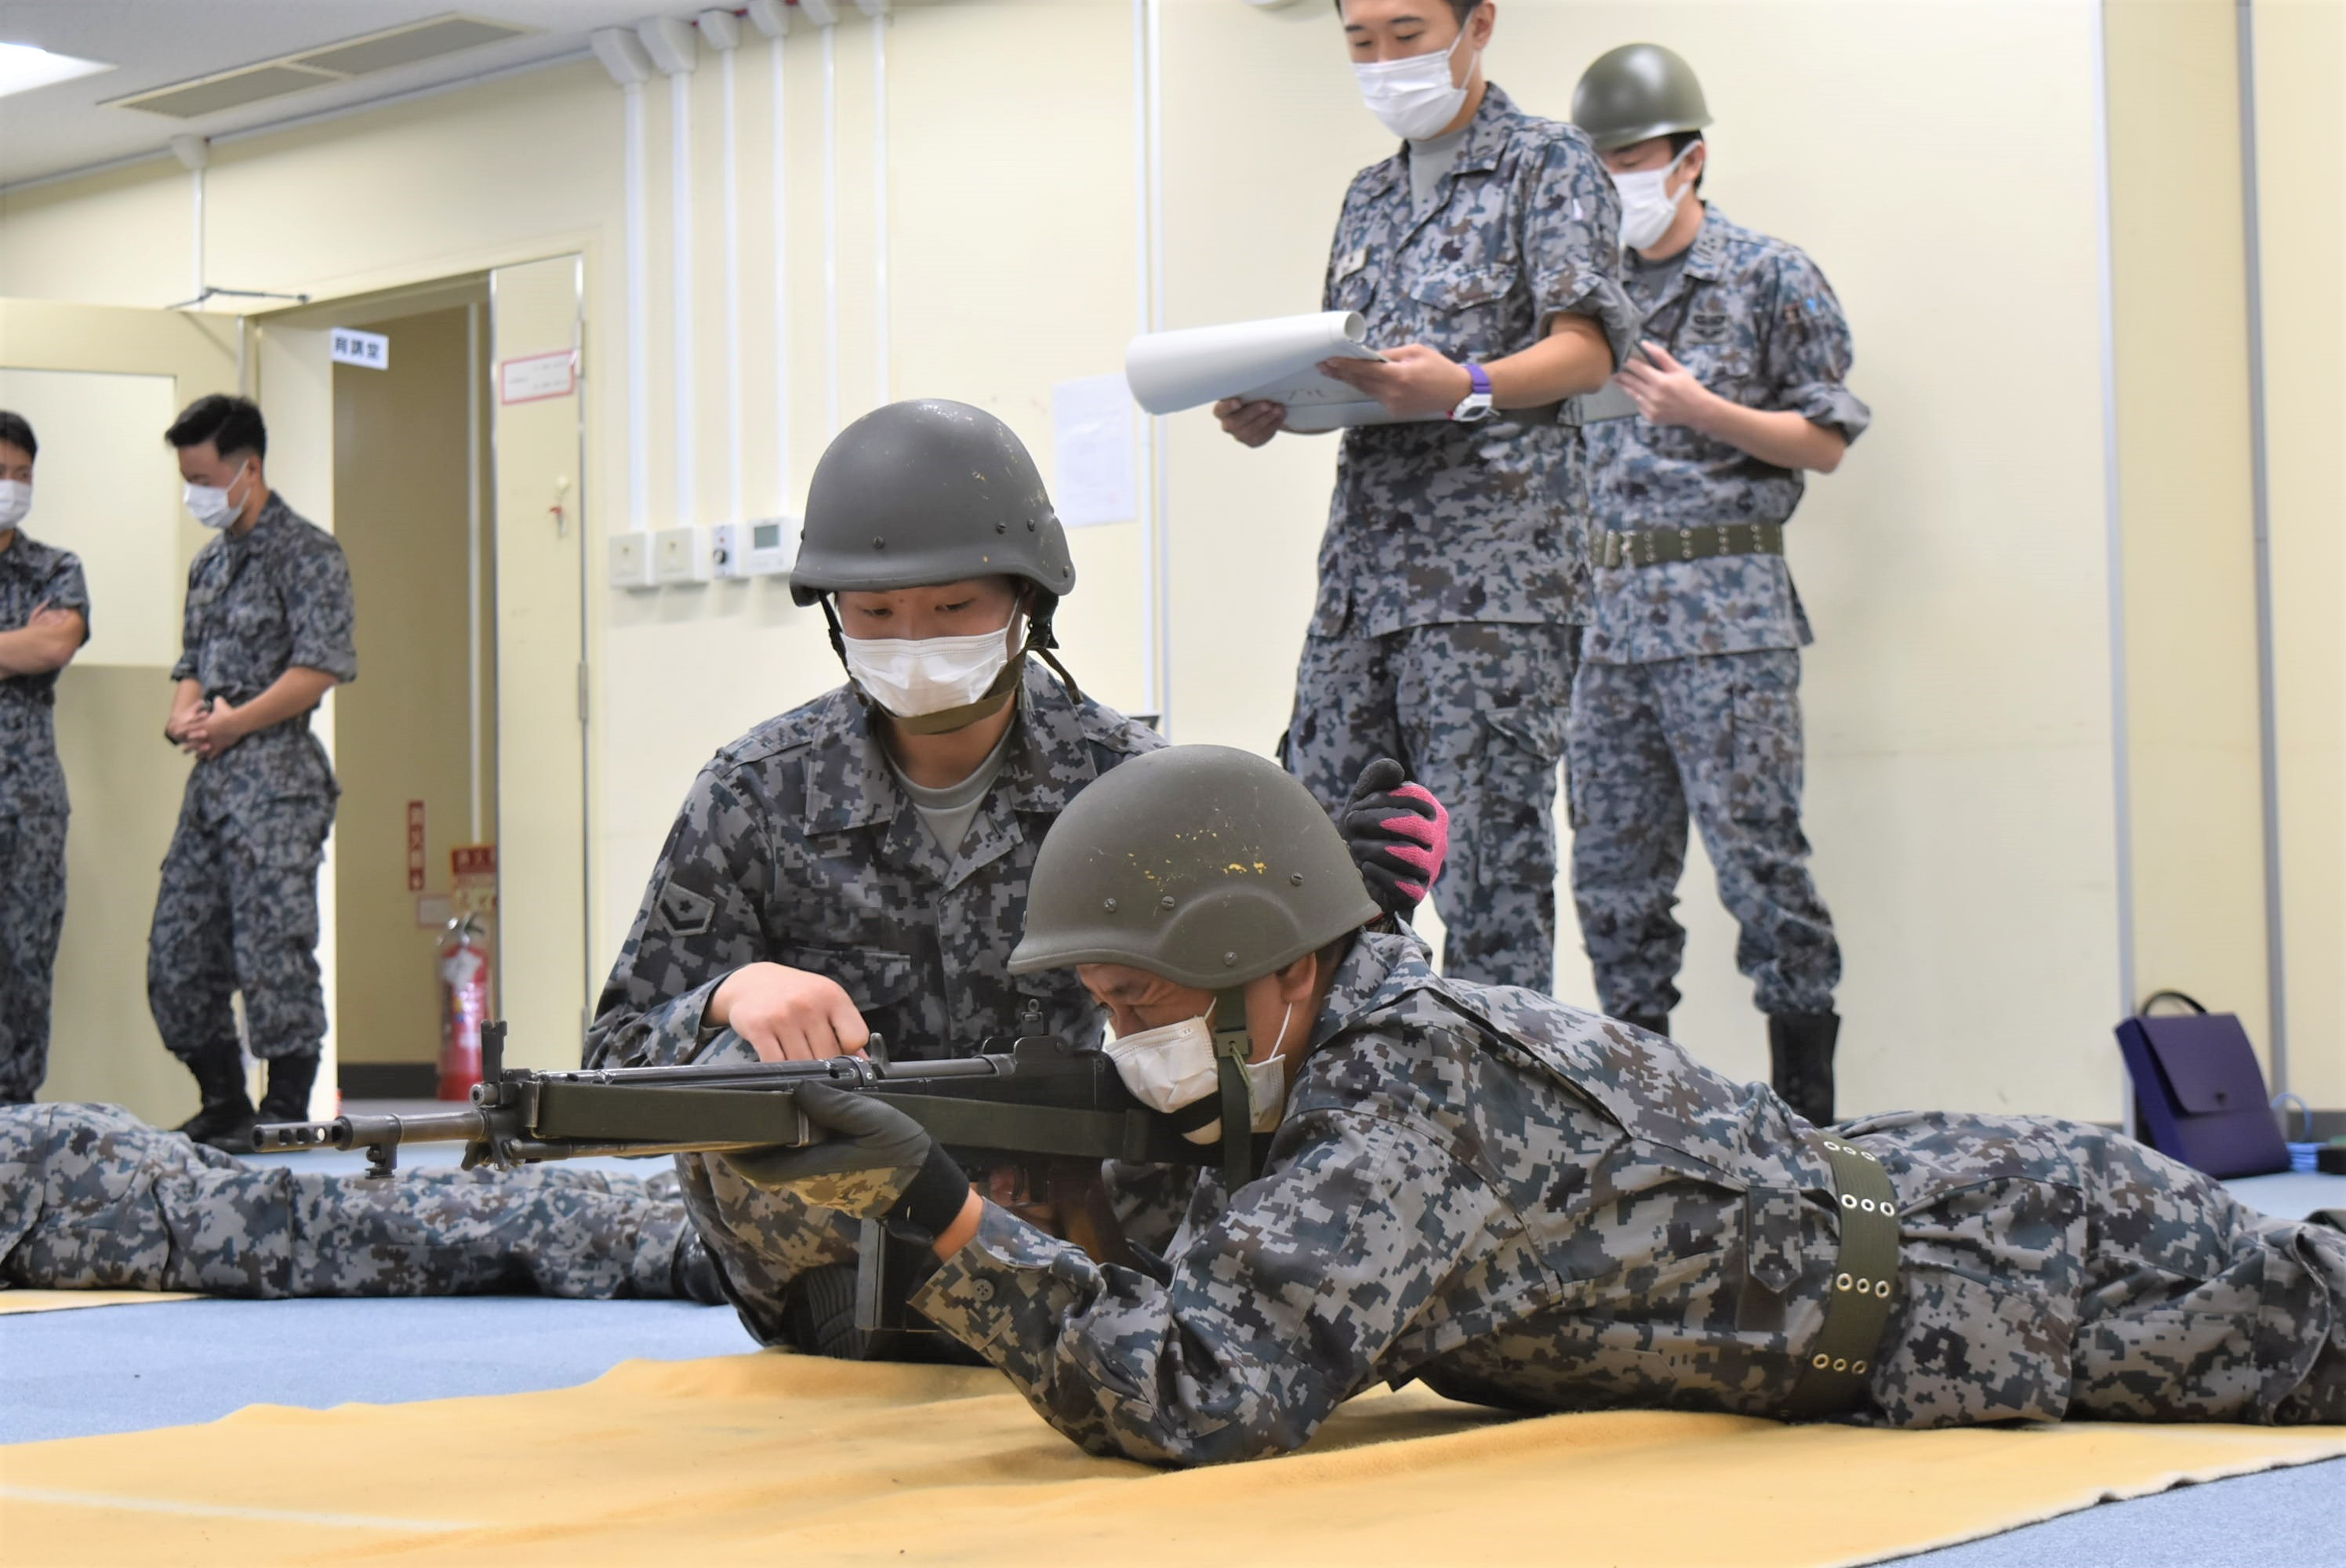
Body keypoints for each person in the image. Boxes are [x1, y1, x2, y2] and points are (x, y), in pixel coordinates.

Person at [724, 744, 2346, 1466]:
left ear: (1254, 969)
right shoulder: (1297, 1058)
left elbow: (1195, 1390)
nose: (1119, 1037)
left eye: (1136, 1004)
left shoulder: (1397, 1096)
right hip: (1922, 1225)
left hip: (1992, 1266)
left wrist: (944, 1218)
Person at [584, 398, 1443, 1352]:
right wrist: (731, 993)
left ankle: (1130, 1318)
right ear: (832, 616)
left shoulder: (1129, 782)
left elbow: (1284, 1018)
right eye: (873, 613)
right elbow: (615, 1055)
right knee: (734, 1080)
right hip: (843, 1236)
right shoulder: (754, 793)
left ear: (1028, 600)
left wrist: (1340, 916)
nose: (913, 642)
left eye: (953, 607)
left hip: (1095, 1224)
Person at [1215, 0, 1636, 993]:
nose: (1383, 61)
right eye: (1360, 42)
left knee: (1488, 881)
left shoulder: (1550, 164)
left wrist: (1470, 384)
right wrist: (1281, 402)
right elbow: (1356, 369)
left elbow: (1588, 350)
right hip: (1362, 588)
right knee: (1323, 865)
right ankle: (1361, 1107)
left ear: (1475, 23)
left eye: (1405, 35)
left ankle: (1500, 1133)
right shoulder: (1368, 196)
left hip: (1491, 589)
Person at [1563, 44, 1869, 1123]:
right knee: (1611, 886)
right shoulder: (1578, 306)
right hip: (1602, 631)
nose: (1615, 186)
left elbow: (1825, 438)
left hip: (1727, 615)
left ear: (1690, 159)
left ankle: (1809, 1135)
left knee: (1762, 874)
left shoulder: (1766, 274)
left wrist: (1709, 414)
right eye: (1593, 168)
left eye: (1633, 161)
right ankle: (1642, 1127)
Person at [148, 396, 357, 1152]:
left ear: (248, 469)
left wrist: (236, 722)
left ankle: (288, 1109)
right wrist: (186, 714)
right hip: (210, 791)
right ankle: (224, 1102)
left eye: (203, 477)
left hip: (278, 785)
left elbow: (321, 667)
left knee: (275, 952)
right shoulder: (209, 564)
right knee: (177, 956)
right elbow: (191, 667)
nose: (195, 494)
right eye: (187, 479)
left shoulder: (307, 554)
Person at [1, 1101, 721, 1302]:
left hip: (82, 1198)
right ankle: (687, 1212)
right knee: (380, 1211)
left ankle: (683, 1241)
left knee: (382, 1226)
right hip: (66, 1162)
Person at [0, 412, 91, 1105]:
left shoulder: (54, 567)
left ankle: (11, 1116)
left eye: (21, 475)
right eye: (0, 472)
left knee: (22, 961)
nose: (11, 486)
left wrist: (34, 645)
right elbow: (27, 647)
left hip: (25, 801)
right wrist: (14, 645)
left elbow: (53, 647)